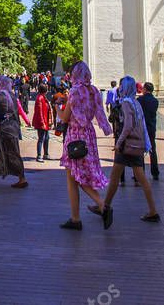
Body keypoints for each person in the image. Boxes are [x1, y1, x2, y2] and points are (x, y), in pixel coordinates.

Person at [97, 76, 160, 226]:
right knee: (137, 178)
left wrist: (118, 143)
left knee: (115, 177)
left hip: (127, 146)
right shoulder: (136, 102)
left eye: (121, 86)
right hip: (137, 144)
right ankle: (152, 210)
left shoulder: (126, 103)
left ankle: (104, 206)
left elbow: (128, 125)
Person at [57, 61, 112, 231]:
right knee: (75, 177)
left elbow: (66, 118)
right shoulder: (93, 90)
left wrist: (58, 108)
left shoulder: (74, 91)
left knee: (75, 176)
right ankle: (75, 217)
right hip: (89, 135)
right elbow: (98, 112)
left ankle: (101, 205)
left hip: (75, 136)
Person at [0, 76, 30, 189]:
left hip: (3, 129)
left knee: (2, 153)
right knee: (11, 152)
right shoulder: (13, 96)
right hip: (13, 128)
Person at [138, 82, 160, 181]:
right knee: (152, 149)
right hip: (151, 127)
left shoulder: (140, 100)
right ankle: (155, 172)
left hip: (142, 127)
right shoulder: (155, 101)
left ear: (145, 89)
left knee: (140, 151)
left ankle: (140, 173)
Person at [32, 83, 53, 162]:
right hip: (42, 122)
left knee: (47, 138)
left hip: (46, 121)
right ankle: (39, 155)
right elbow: (39, 112)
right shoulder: (39, 98)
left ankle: (46, 154)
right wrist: (42, 123)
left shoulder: (43, 97)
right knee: (41, 138)